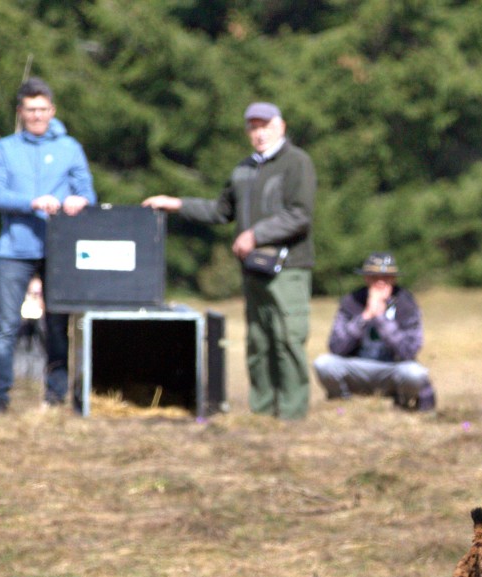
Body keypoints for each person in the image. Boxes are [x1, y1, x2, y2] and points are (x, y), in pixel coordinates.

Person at [143, 102, 316, 420]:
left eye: (265, 125)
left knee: (288, 338)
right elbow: (221, 211)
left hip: (288, 268)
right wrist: (177, 204)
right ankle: (262, 412)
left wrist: (256, 235)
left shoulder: (297, 162)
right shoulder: (243, 169)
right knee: (258, 341)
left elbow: (300, 215)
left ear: (281, 126)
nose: (259, 133)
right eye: (252, 127)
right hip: (254, 269)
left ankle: (292, 416)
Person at [0, 76, 96, 412]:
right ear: (20, 112)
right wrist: (32, 202)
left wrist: (79, 202)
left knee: (58, 326)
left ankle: (55, 395)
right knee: (7, 326)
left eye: (42, 109)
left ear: (52, 110)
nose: (37, 115)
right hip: (15, 251)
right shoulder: (4, 148)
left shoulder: (69, 148)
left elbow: (87, 191)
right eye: (30, 109)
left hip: (58, 250)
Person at [313, 252, 435, 411]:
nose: (380, 282)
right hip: (357, 368)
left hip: (392, 369)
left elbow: (409, 351)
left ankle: (404, 405)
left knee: (414, 373)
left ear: (394, 279)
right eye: (374, 277)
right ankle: (342, 406)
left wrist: (381, 318)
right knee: (324, 363)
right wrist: (365, 316)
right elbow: (336, 347)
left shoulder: (406, 303)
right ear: (366, 278)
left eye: (386, 277)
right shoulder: (352, 301)